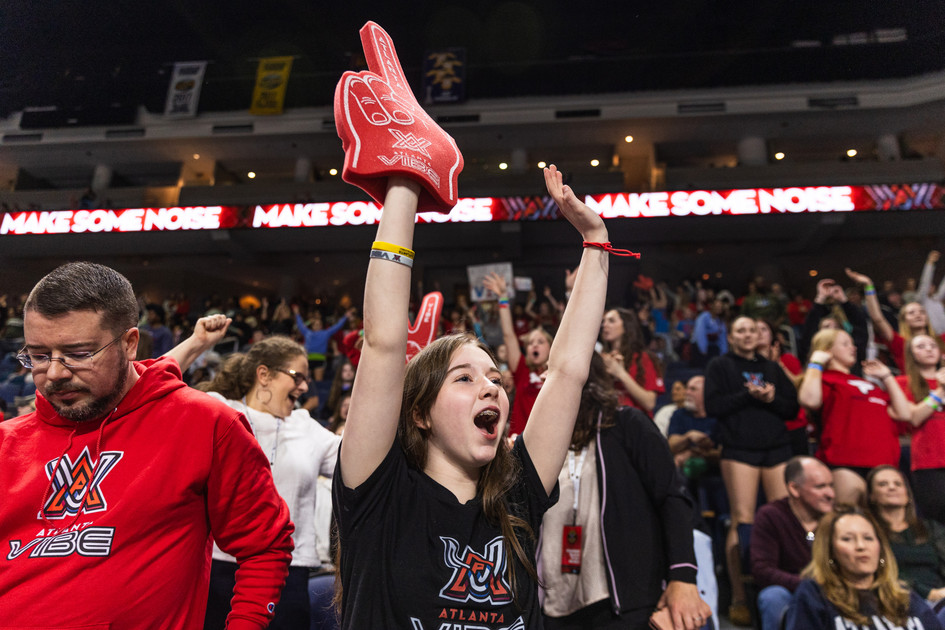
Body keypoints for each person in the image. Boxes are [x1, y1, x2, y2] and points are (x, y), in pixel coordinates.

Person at [332, 28, 612, 625]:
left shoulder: (517, 499)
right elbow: (384, 344)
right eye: (465, 378)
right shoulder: (378, 495)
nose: (493, 387)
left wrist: (596, 243)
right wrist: (405, 179)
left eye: (494, 377)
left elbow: (565, 372)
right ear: (420, 412)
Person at [0, 261, 294, 628]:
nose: (56, 373)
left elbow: (265, 546)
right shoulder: (7, 442)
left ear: (129, 344)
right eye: (39, 356)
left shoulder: (204, 424)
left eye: (78, 354)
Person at [166, 328, 343, 629]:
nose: (304, 387)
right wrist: (197, 343)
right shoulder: (219, 410)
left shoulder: (307, 427)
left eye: (307, 379)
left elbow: (360, 458)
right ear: (264, 374)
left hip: (291, 571)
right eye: (297, 376)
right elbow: (153, 388)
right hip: (218, 568)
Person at [539, 352, 712, 630]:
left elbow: (672, 497)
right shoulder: (541, 440)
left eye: (555, 371)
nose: (545, 378)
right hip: (556, 604)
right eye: (545, 372)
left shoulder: (628, 423)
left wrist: (683, 575)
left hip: (624, 601)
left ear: (585, 378)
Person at [704, 315, 800, 626]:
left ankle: (786, 585)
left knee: (783, 517)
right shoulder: (720, 366)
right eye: (741, 330)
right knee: (742, 518)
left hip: (776, 447)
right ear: (730, 336)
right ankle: (739, 596)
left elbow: (792, 407)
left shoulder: (771, 366)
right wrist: (749, 394)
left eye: (752, 330)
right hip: (739, 449)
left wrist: (771, 398)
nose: (748, 335)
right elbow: (713, 406)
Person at [797, 328, 912, 504]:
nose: (853, 347)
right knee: (849, 520)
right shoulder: (825, 379)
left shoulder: (870, 385)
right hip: (845, 461)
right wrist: (815, 363)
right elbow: (809, 400)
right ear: (827, 350)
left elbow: (903, 413)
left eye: (852, 343)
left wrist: (887, 377)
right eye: (845, 344)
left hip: (884, 463)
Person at [785, 506, 943, 630]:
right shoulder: (815, 594)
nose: (861, 546)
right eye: (847, 539)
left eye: (868, 538)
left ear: (880, 548)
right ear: (830, 551)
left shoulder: (903, 596)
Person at [750, 456, 835, 630]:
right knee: (772, 597)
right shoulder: (771, 516)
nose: (830, 494)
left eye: (831, 485)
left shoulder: (838, 519)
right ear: (794, 489)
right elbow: (762, 569)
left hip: (835, 589)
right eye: (820, 487)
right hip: (792, 590)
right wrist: (808, 586)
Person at [483, 270, 555, 436]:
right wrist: (502, 296)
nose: (534, 346)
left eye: (540, 342)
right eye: (530, 343)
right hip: (518, 443)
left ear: (551, 348)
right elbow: (508, 334)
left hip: (549, 441)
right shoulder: (522, 368)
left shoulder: (556, 374)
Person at [866, 465, 945, 604]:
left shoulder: (930, 528)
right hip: (897, 599)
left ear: (907, 494)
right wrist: (928, 593)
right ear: (872, 496)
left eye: (898, 484)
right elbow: (880, 573)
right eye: (883, 484)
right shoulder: (869, 532)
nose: (892, 487)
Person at [845, 267, 945, 372]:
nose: (918, 315)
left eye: (922, 312)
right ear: (904, 320)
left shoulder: (941, 340)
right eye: (911, 313)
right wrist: (868, 285)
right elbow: (877, 318)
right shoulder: (900, 343)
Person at [897, 334, 945, 523]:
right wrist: (941, 390)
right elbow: (915, 417)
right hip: (929, 461)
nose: (928, 349)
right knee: (938, 523)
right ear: (911, 354)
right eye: (921, 346)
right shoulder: (903, 382)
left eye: (932, 345)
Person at [600, 307, 665, 416]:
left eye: (611, 321)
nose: (604, 325)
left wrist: (620, 373)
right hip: (608, 422)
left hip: (635, 425)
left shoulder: (643, 357)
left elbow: (649, 403)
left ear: (626, 326)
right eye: (604, 321)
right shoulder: (602, 358)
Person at [293, 304, 352, 381]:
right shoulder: (307, 332)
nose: (317, 326)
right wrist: (297, 313)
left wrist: (345, 317)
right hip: (308, 359)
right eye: (315, 324)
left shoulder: (325, 333)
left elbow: (337, 326)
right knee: (306, 381)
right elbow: (300, 325)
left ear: (321, 326)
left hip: (320, 359)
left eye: (319, 324)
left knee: (318, 382)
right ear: (312, 326)